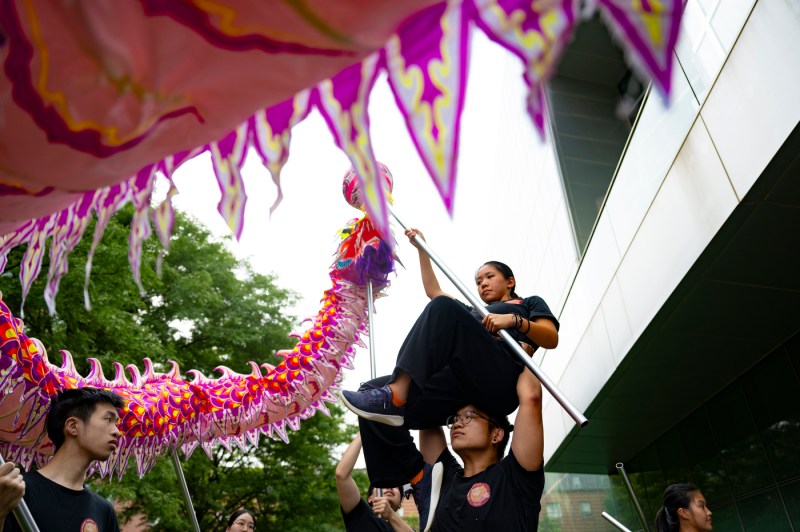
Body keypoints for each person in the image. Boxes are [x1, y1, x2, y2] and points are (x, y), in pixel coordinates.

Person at [341, 228, 558, 492]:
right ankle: (419, 478)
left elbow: (551, 337)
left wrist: (514, 321)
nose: (483, 284)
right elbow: (434, 291)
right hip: (461, 384)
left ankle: (396, 395)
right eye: (478, 281)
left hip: (500, 379)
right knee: (369, 391)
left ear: (510, 281)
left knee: (445, 309)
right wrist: (422, 249)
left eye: (489, 277)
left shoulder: (527, 303)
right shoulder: (472, 312)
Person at [3, 387, 125, 532]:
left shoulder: (104, 511)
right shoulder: (15, 491)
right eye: (108, 419)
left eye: (116, 423)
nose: (117, 432)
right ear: (73, 426)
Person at [336, 433, 414, 532]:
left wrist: (391, 515)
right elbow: (341, 475)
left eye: (395, 486)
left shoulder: (404, 529)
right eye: (383, 485)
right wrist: (364, 431)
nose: (389, 487)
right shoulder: (360, 515)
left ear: (400, 504)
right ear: (370, 499)